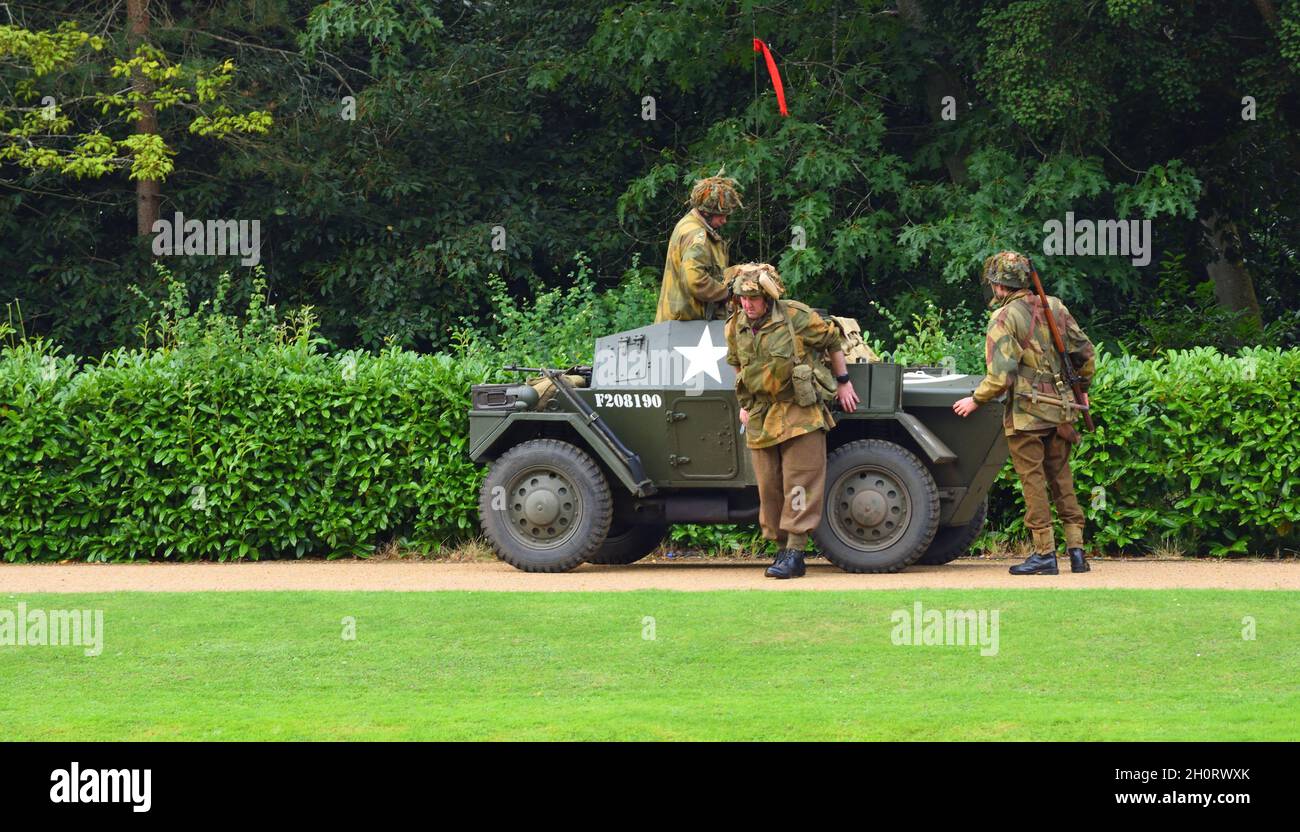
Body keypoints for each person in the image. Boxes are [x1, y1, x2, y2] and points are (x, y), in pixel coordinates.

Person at [952, 251, 1096, 575]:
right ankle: (1077, 552)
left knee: (1033, 482)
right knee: (1062, 479)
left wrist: (975, 400)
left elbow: (1001, 376)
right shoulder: (1055, 307)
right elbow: (1085, 354)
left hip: (1027, 414)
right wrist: (1081, 388)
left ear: (999, 286)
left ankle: (1044, 554)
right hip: (1061, 410)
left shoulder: (1003, 318)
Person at [724, 263, 860, 578]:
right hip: (761, 414)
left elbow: (832, 340)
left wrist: (843, 381)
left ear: (767, 297)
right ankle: (781, 548)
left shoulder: (794, 317)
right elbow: (735, 363)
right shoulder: (735, 326)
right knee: (769, 488)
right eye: (742, 298)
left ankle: (796, 552)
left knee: (799, 483)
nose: (747, 304)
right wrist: (744, 402)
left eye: (754, 298)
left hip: (799, 412)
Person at [654, 168, 743, 323]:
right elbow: (695, 280)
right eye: (721, 216)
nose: (724, 221)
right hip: (688, 326)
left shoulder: (687, 224)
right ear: (706, 212)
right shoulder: (697, 235)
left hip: (682, 323)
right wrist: (727, 292)